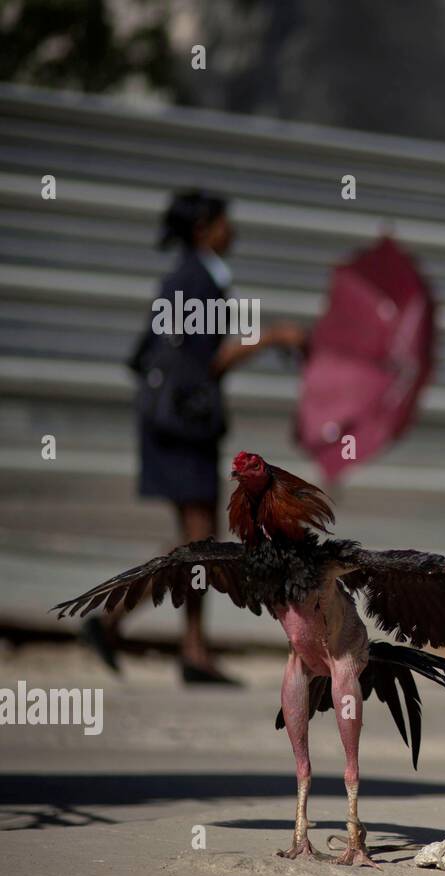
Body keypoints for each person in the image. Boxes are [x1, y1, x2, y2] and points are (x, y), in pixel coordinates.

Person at [81, 190, 308, 684]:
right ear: (205, 228)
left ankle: (190, 647)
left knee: (199, 541)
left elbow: (150, 355)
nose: (234, 231)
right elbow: (208, 361)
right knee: (200, 543)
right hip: (183, 427)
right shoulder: (197, 281)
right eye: (226, 222)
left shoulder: (186, 278)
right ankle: (115, 621)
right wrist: (274, 338)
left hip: (176, 424)